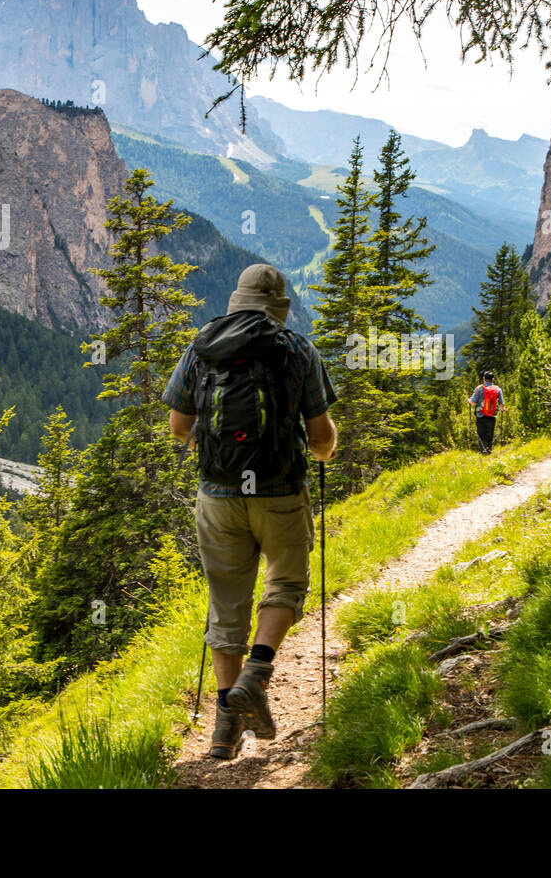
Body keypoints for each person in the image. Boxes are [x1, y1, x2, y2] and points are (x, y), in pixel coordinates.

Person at [163, 264, 338, 759]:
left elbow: (178, 425)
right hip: (280, 491)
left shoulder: (202, 346)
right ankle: (257, 673)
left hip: (218, 495)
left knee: (227, 604)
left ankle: (224, 727)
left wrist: (210, 441)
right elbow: (321, 436)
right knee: (285, 583)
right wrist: (323, 452)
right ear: (278, 306)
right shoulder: (297, 349)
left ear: (237, 300)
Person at [468, 370, 505, 454]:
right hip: (492, 416)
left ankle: (483, 453)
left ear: (484, 379)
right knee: (489, 436)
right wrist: (502, 409)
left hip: (480, 415)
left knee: (481, 436)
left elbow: (473, 402)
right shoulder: (498, 389)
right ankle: (489, 452)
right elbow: (501, 404)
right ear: (493, 379)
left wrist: (469, 400)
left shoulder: (479, 388)